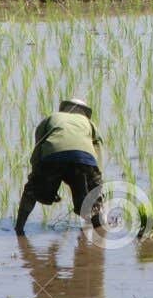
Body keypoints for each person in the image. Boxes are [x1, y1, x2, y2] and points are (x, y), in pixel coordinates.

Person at [14, 98, 105, 233]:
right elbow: (97, 152)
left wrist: (37, 176)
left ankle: (19, 228)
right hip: (84, 159)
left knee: (31, 191)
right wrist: (95, 181)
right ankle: (98, 231)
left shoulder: (52, 118)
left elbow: (38, 149)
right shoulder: (89, 123)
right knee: (92, 196)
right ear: (84, 113)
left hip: (53, 156)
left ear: (64, 108)